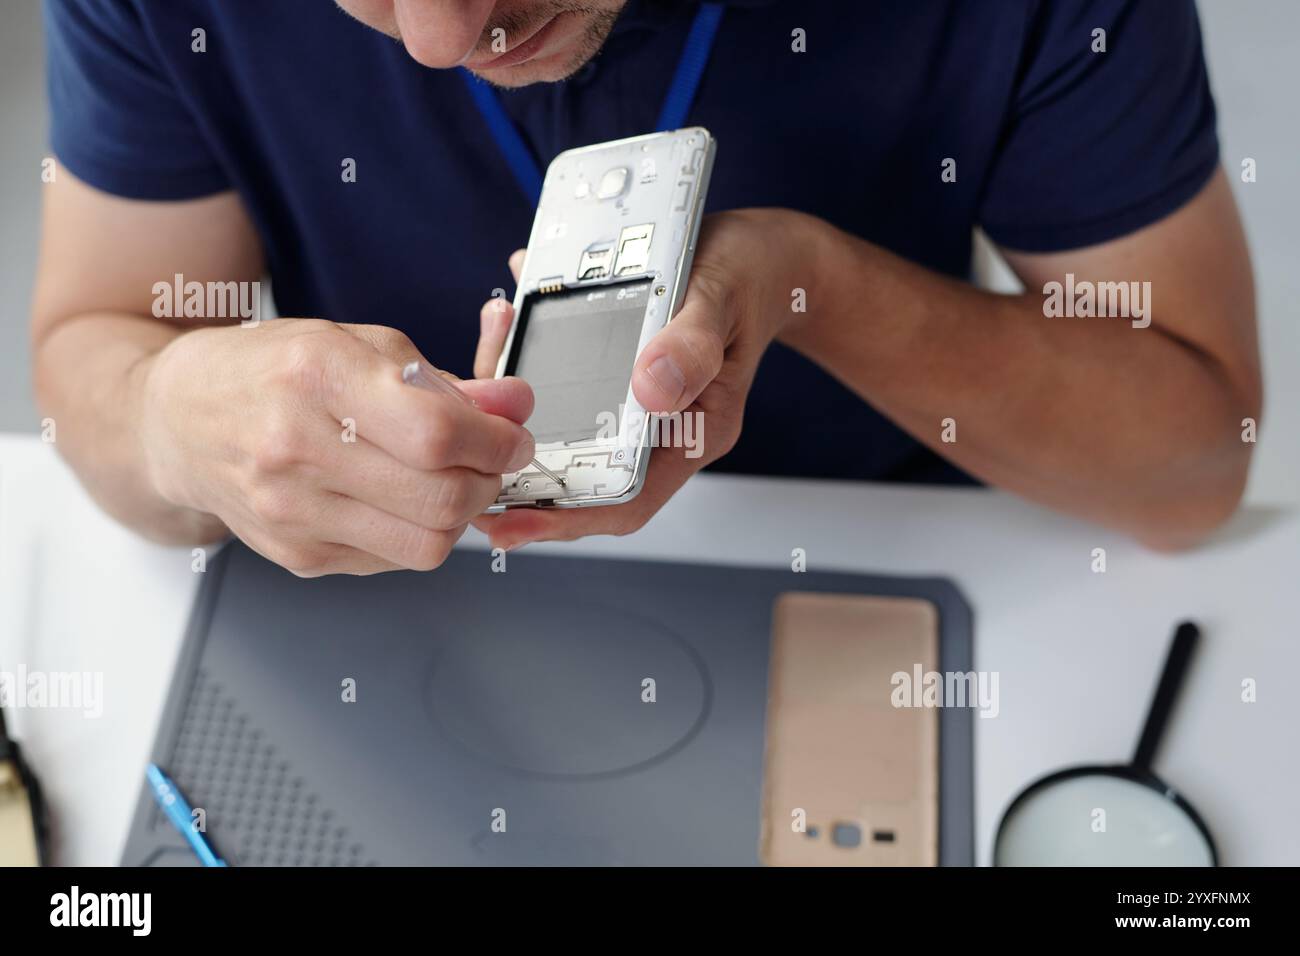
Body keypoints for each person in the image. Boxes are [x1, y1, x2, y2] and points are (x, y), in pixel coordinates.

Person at [31, 0, 1260, 576]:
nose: (440, 37)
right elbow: (95, 341)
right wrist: (173, 416)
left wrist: (809, 284)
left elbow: (1193, 464)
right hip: (399, 613)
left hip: (895, 571)